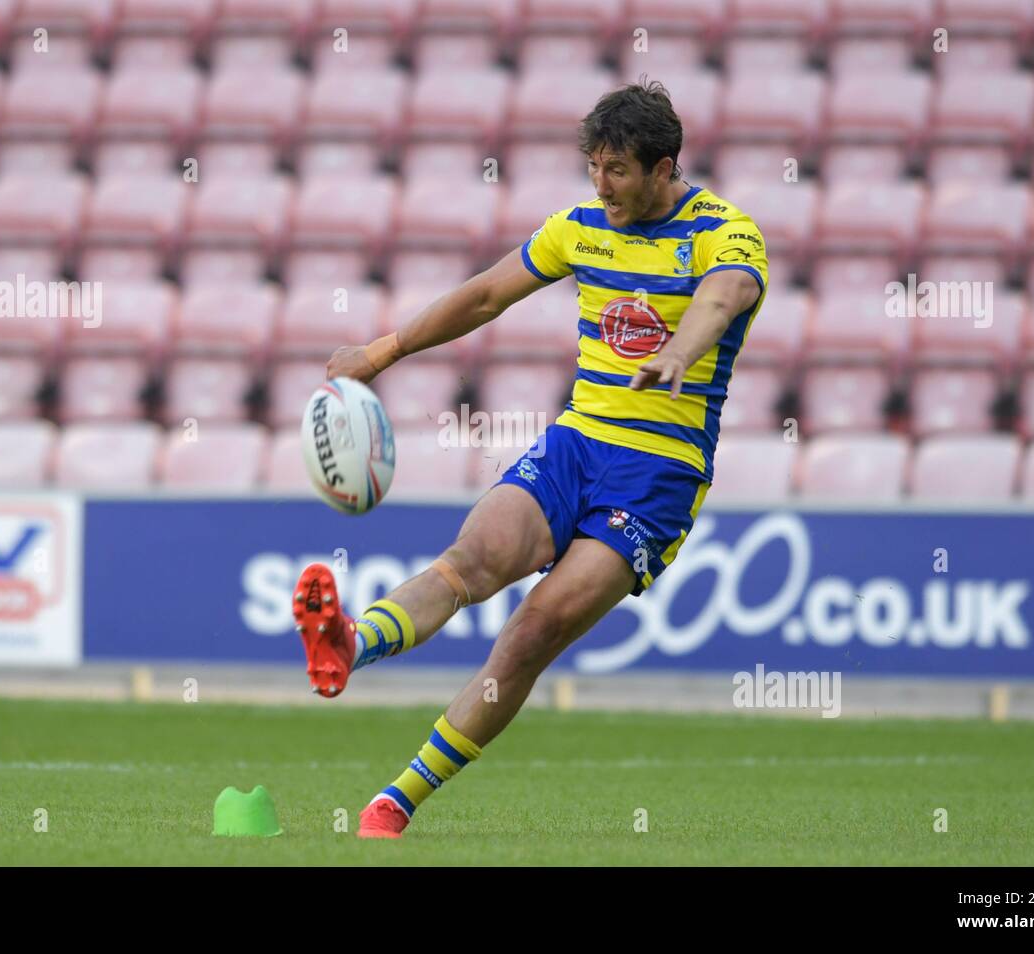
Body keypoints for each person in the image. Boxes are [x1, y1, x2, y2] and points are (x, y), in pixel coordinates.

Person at [292, 79, 768, 838]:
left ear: (664, 166)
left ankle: (398, 799)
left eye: (618, 170)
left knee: (533, 627)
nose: (602, 185)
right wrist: (382, 352)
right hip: (576, 445)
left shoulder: (723, 231)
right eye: (594, 167)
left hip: (657, 477)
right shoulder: (579, 228)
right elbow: (486, 296)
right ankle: (352, 644)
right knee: (469, 562)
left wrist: (680, 349)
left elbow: (727, 293)